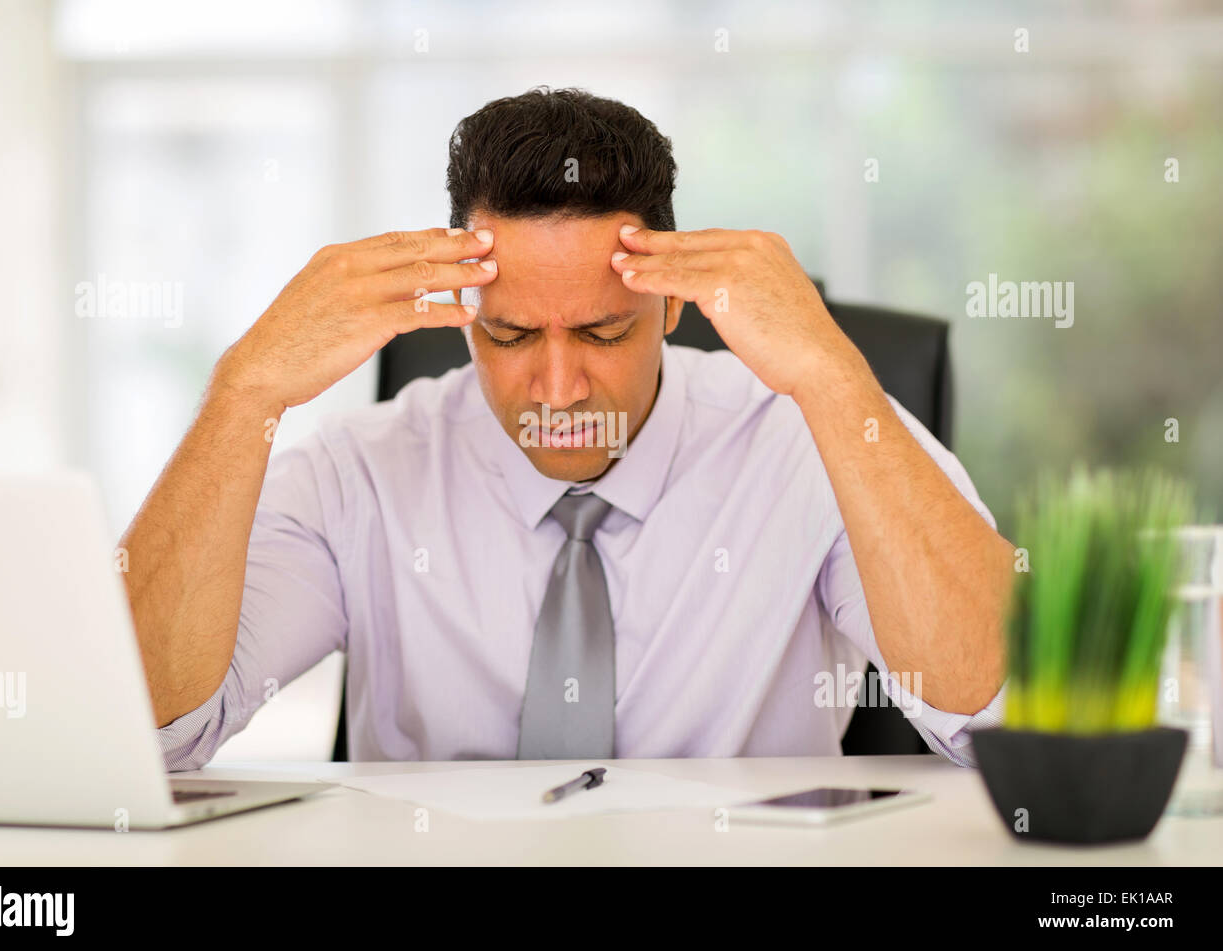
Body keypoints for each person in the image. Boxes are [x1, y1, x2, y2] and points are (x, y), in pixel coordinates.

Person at [120, 87, 1014, 771]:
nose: (558, 385)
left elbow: (1004, 716)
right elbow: (147, 735)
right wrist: (245, 392)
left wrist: (832, 375)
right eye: (509, 335)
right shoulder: (361, 476)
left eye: (601, 331)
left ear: (669, 308)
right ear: (465, 314)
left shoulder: (808, 445)